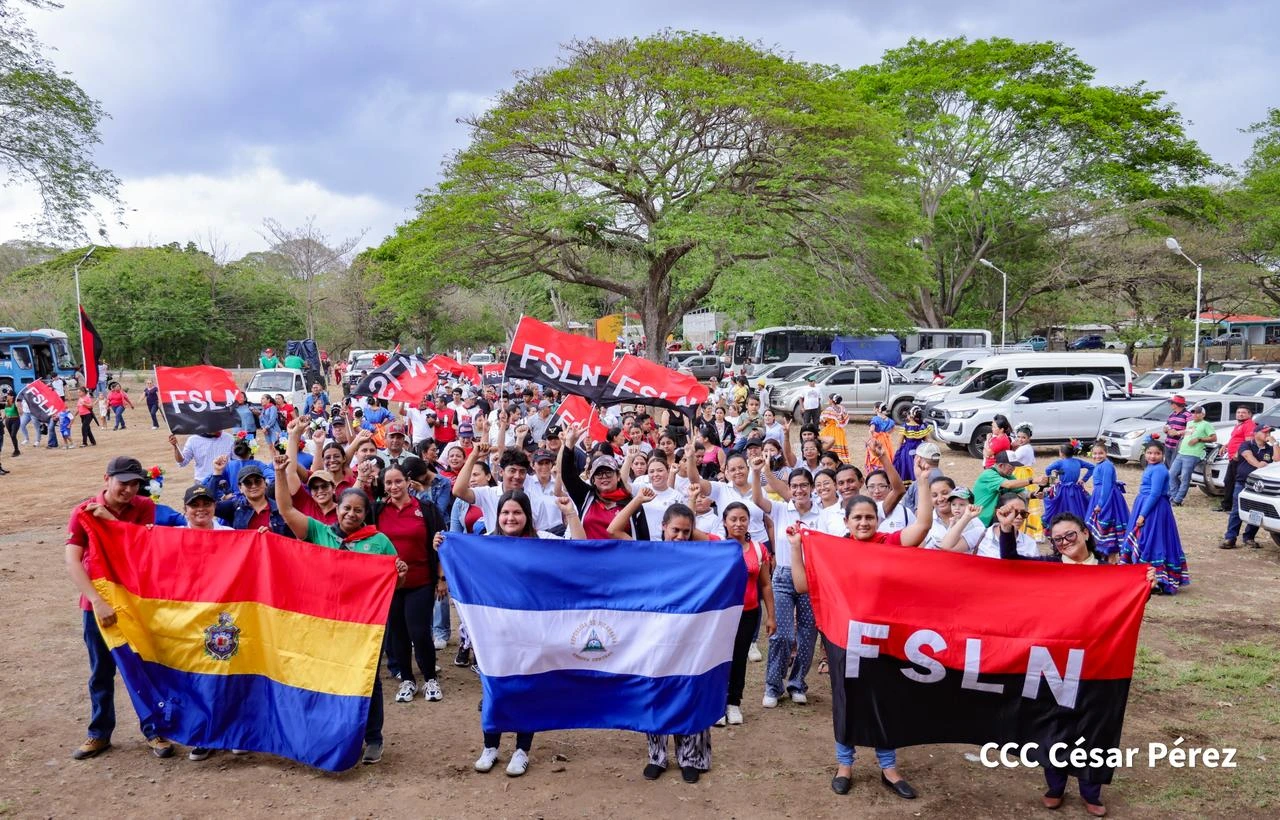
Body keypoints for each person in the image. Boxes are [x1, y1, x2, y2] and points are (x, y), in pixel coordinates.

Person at [991, 511, 1157, 818]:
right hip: (1055, 662)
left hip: (1099, 663)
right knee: (1054, 722)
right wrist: (1005, 528)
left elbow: (1127, 605)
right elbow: (1011, 560)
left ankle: (1090, 790)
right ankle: (1055, 786)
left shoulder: (1111, 569)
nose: (1065, 543)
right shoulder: (1049, 568)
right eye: (1057, 539)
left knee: (1094, 725)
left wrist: (1143, 585)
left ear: (1085, 533)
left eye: (1070, 535)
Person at [789, 469, 939, 800]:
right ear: (846, 520)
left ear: (878, 520)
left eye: (870, 516)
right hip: (844, 639)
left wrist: (924, 481)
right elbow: (801, 585)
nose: (864, 522)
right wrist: (796, 548)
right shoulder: (833, 550)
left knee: (885, 698)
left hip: (886, 638)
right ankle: (845, 765)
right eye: (857, 517)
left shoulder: (889, 543)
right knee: (846, 698)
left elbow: (923, 526)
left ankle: (889, 767)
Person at [274, 470, 407, 764]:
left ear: (365, 514)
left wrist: (399, 575)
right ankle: (334, 734)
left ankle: (373, 738)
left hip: (364, 625)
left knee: (368, 679)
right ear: (337, 507)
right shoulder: (319, 532)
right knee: (328, 675)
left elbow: (394, 584)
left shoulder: (380, 541)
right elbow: (285, 509)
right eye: (346, 508)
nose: (351, 514)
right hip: (324, 621)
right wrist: (280, 473)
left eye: (358, 510)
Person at [467, 490, 585, 777]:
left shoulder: (542, 541)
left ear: (527, 516)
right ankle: (490, 746)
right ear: (497, 516)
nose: (510, 518)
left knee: (528, 689)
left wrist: (570, 512)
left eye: (517, 512)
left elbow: (581, 546)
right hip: (496, 632)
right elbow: (459, 557)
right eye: (505, 513)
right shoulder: (485, 544)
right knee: (495, 687)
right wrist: (442, 543)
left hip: (533, 631)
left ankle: (522, 750)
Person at [64, 456, 172, 760]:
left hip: (136, 601)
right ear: (106, 479)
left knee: (146, 665)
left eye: (135, 482)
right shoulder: (83, 512)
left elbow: (145, 548)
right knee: (101, 671)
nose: (129, 489)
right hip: (96, 604)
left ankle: (156, 730)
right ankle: (99, 733)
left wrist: (113, 524)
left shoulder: (144, 507)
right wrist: (97, 602)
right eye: (123, 482)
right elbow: (73, 561)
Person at [609, 501, 717, 783]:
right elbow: (613, 529)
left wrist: (694, 532)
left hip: (691, 635)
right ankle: (657, 755)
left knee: (689, 690)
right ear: (663, 527)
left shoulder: (701, 555)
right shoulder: (648, 552)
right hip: (653, 635)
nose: (680, 536)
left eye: (686, 531)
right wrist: (637, 501)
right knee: (655, 690)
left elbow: (727, 545)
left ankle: (691, 757)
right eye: (675, 531)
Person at [751, 460, 821, 709]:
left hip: (812, 579)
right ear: (789, 488)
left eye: (804, 485)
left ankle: (797, 684)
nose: (799, 490)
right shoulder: (781, 509)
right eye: (794, 486)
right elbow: (759, 501)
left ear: (812, 487)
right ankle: (773, 685)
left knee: (806, 633)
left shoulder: (821, 515)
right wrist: (758, 472)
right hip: (782, 576)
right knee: (781, 634)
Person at [376, 462, 447, 705]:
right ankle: (407, 679)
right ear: (383, 486)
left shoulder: (425, 508)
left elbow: (441, 544)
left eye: (398, 481)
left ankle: (430, 679)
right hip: (390, 584)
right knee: (398, 634)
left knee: (419, 631)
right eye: (388, 482)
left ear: (407, 482)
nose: (394, 486)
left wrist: (441, 579)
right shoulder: (377, 511)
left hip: (421, 580)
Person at [716, 500, 775, 726]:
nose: (739, 524)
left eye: (743, 519)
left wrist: (771, 616)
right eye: (733, 519)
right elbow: (690, 531)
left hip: (748, 613)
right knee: (720, 659)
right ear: (724, 522)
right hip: (721, 614)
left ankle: (734, 703)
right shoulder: (717, 545)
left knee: (739, 658)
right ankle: (717, 704)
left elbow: (766, 585)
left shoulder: (759, 549)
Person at [1124, 439, 1190, 594]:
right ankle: (1144, 575)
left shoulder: (1159, 470)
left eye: (1157, 453)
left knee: (1153, 540)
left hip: (1154, 509)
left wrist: (1142, 514)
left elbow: (1154, 494)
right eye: (1149, 453)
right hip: (1147, 505)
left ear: (1163, 455)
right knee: (1146, 538)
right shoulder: (1151, 467)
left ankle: (1159, 580)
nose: (1153, 456)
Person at [1221, 425, 1279, 549]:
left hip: (1260, 486)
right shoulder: (1247, 444)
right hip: (1243, 483)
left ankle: (1249, 537)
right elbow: (1249, 457)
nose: (1267, 434)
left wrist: (1275, 444)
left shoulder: (1269, 448)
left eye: (1269, 432)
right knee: (1237, 510)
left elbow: (1277, 460)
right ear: (1256, 433)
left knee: (1258, 512)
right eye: (1265, 432)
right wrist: (1260, 465)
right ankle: (1230, 538)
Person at [973, 451, 1046, 527]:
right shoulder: (988, 474)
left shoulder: (1008, 476)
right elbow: (1008, 484)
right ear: (1001, 465)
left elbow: (1021, 492)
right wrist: (1033, 481)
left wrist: (1034, 495)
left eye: (1015, 466)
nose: (1014, 469)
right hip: (981, 519)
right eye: (1011, 466)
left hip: (996, 518)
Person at [1086, 441, 1129, 562]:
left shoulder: (1107, 466)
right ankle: (1105, 558)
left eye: (1100, 453)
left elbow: (1106, 486)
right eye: (1095, 454)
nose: (1097, 456)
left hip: (1108, 499)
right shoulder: (1100, 465)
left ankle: (1112, 559)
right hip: (1100, 496)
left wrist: (1100, 504)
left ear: (1106, 453)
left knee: (1108, 526)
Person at [1168, 403, 1216, 506]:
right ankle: (1174, 496)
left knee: (1185, 477)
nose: (1195, 415)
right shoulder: (1190, 423)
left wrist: (1199, 439)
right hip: (1182, 452)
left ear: (1203, 415)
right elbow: (1188, 434)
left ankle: (1178, 500)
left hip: (1193, 454)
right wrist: (1177, 433)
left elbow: (1213, 438)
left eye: (1198, 413)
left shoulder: (1206, 424)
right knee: (1172, 474)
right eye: (1194, 413)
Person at [1216, 405, 1257, 513]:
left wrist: (1238, 453)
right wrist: (1226, 445)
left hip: (1239, 459)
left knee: (1233, 482)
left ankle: (1232, 506)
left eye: (1243, 412)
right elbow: (1236, 438)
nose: (1240, 414)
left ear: (1249, 414)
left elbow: (1248, 442)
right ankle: (1227, 505)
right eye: (1238, 412)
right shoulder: (1239, 424)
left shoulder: (1249, 425)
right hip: (1232, 457)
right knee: (1229, 481)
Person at [923, 482, 985, 552]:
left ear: (971, 505)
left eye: (962, 505)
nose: (957, 508)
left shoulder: (976, 524)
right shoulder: (951, 521)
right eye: (953, 504)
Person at [1042, 440, 1094, 524]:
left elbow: (1048, 469)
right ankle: (1077, 524)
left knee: (1062, 507)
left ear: (1061, 453)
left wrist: (1053, 480)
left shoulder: (1060, 462)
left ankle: (1063, 524)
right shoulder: (1078, 461)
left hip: (1062, 490)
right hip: (1076, 489)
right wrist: (1084, 479)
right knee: (1077, 507)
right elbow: (1092, 467)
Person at [169, 429, 235, 482]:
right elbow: (182, 462)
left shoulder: (230, 438)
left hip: (225, 482)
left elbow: (237, 461)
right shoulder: (193, 440)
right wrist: (176, 447)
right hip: (202, 482)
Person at [891, 406, 930, 482]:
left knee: (907, 466)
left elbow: (900, 442)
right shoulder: (923, 426)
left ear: (910, 416)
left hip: (907, 450)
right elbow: (927, 441)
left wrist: (898, 452)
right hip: (920, 450)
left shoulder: (905, 427)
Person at [1161, 395, 1191, 469]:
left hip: (1178, 447)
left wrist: (1177, 433)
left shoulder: (1188, 415)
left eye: (1171, 403)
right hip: (1168, 445)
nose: (1170, 405)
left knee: (1174, 469)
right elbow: (1167, 426)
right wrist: (1165, 429)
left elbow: (1191, 431)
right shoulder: (1172, 414)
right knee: (1167, 467)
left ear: (1176, 404)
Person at [865, 404, 896, 473]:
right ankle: (886, 468)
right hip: (886, 440)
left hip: (878, 439)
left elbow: (872, 430)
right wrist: (887, 433)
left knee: (877, 453)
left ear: (877, 409)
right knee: (887, 453)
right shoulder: (889, 420)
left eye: (874, 408)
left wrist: (872, 438)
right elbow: (894, 428)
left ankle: (878, 470)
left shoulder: (875, 419)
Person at [818, 395, 850, 463]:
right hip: (839, 430)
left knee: (829, 445)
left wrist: (824, 424)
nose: (828, 401)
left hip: (830, 429)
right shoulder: (842, 408)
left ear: (832, 400)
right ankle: (839, 461)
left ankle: (830, 460)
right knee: (839, 445)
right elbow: (844, 419)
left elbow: (822, 420)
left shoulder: (829, 409)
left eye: (829, 399)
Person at [2, 393, 19, 457]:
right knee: (12, 436)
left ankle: (16, 450)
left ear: (12, 396)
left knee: (13, 435)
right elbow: (6, 413)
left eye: (8, 395)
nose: (7, 396)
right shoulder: (7, 403)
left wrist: (18, 406)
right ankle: (16, 450)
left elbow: (21, 413)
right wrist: (2, 420)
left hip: (15, 420)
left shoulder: (15, 403)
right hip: (8, 421)